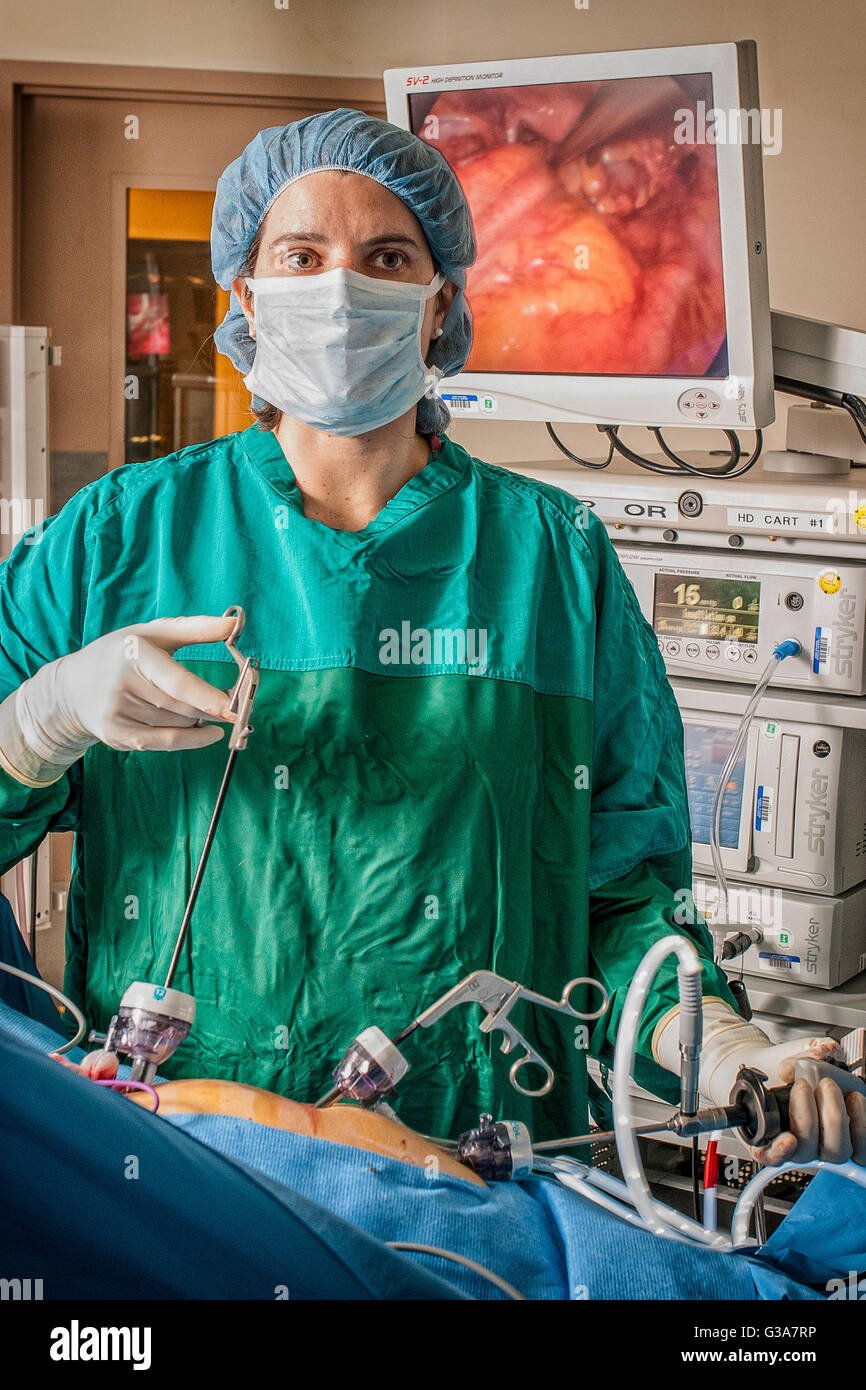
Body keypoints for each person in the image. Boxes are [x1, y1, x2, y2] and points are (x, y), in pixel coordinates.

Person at [0, 109, 863, 1163]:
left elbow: (622, 896)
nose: (339, 286)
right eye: (301, 256)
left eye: (385, 257)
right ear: (247, 297)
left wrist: (720, 1049)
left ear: (439, 300)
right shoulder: (112, 540)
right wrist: (38, 722)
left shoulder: (551, 557)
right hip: (181, 1170)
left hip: (475, 1175)